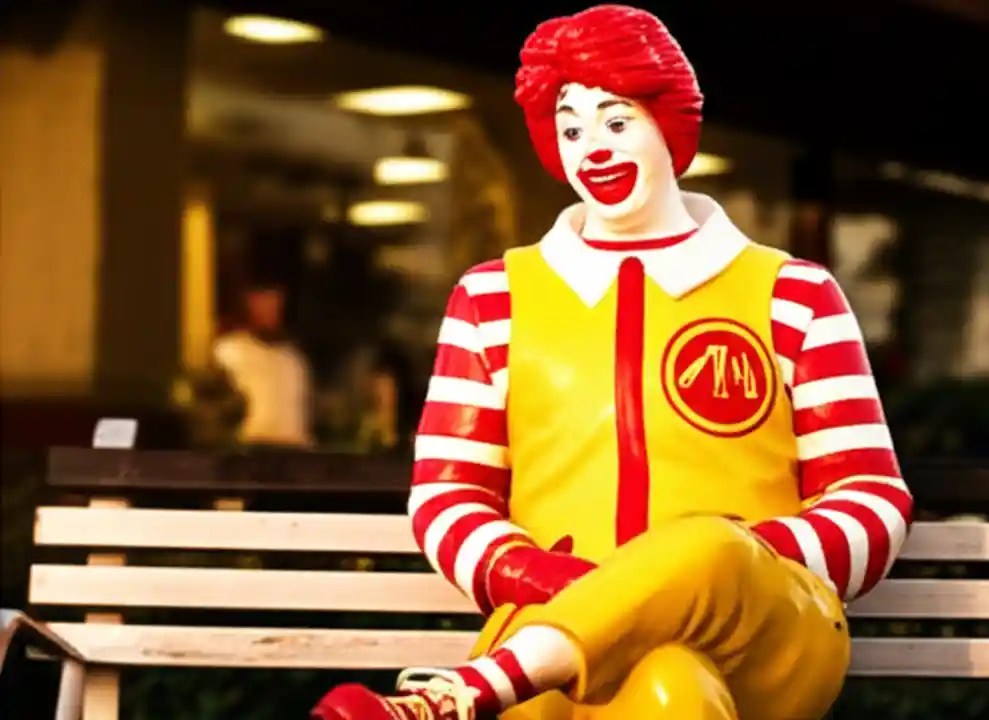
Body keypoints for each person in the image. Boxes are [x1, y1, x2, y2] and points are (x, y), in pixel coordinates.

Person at [312, 5, 912, 719]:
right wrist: (548, 579)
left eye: (617, 122)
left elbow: (872, 498)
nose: (592, 149)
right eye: (571, 129)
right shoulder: (493, 299)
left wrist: (718, 566)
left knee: (708, 549)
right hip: (546, 630)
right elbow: (447, 497)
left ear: (668, 123)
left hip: (766, 642)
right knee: (668, 684)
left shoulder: (795, 294)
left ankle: (452, 700)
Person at [211, 279, 315, 449]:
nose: (269, 310)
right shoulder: (229, 351)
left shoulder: (293, 360)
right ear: (248, 303)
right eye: (263, 302)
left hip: (294, 449)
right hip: (251, 448)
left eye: (275, 303)